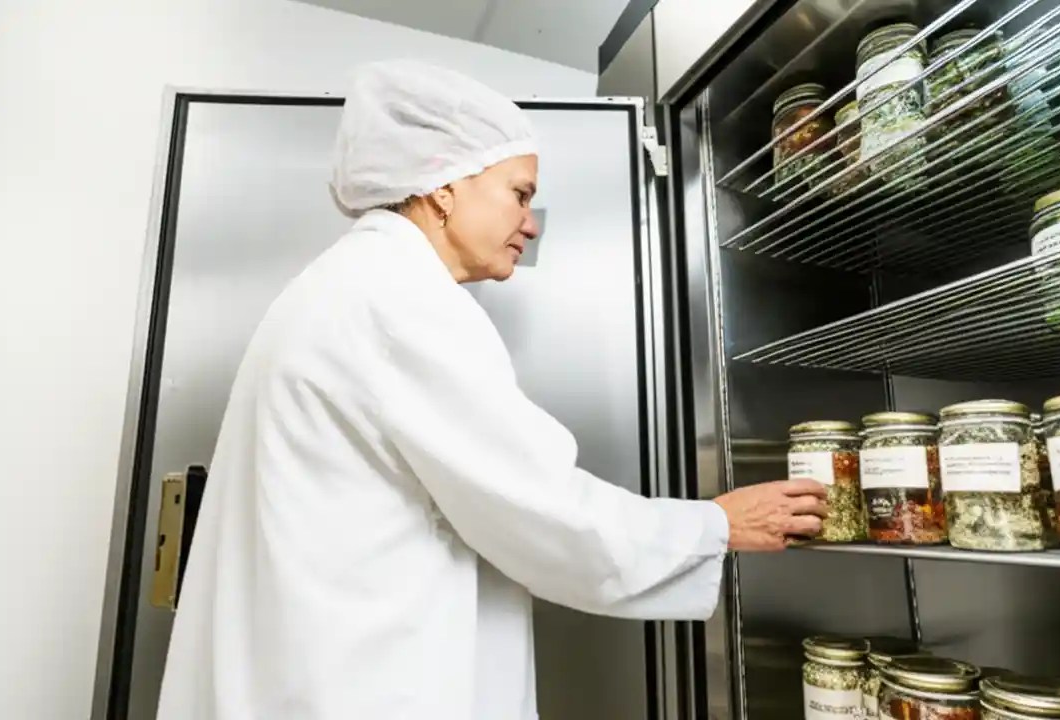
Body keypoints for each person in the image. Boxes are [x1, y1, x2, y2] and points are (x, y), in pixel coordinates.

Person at [157, 59, 828, 720]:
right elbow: (539, 510)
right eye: (521, 193)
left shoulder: (347, 285)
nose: (531, 224)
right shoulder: (401, 299)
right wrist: (716, 525)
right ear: (444, 185)